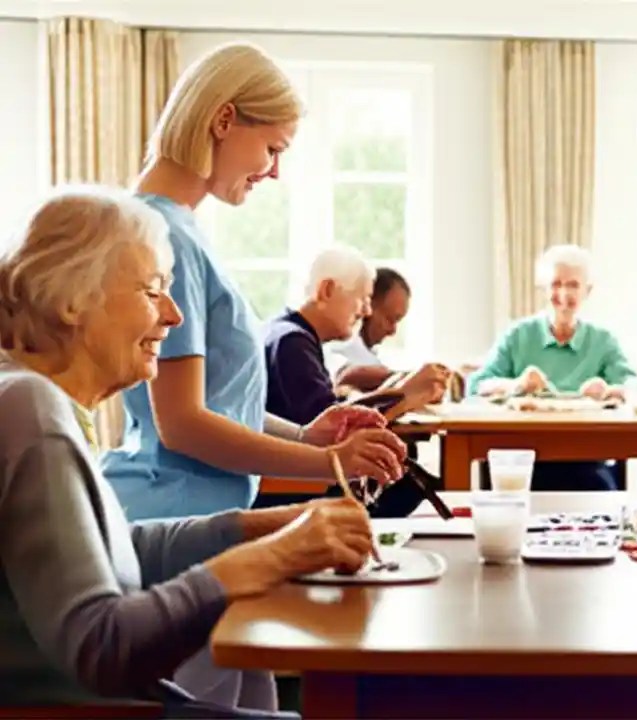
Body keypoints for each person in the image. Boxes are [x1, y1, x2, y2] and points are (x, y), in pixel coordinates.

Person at [0, 187, 375, 717]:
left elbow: (110, 552)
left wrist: (256, 528)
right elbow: (100, 646)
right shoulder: (32, 412)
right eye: (153, 291)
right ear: (71, 301)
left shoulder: (33, 400)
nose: (174, 316)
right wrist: (273, 557)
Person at [102, 41, 408, 526]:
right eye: (273, 149)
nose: (274, 171)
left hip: (181, 510)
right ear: (223, 120)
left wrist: (305, 437)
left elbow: (216, 402)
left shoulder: (169, 227)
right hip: (172, 514)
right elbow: (182, 425)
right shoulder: (168, 236)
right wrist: (330, 463)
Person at [260, 248, 445, 513]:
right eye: (364, 298)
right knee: (423, 492)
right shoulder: (291, 342)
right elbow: (335, 431)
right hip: (299, 491)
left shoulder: (286, 333)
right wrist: (403, 396)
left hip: (303, 476)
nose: (367, 311)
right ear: (326, 290)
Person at [468, 244, 636, 490]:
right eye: (556, 284)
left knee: (599, 487)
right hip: (524, 458)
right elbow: (475, 386)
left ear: (587, 291)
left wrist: (609, 391)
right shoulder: (518, 335)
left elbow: (635, 388)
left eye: (573, 285)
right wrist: (517, 385)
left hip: (586, 457)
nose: (564, 294)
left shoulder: (602, 340)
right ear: (543, 288)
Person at [329, 267, 410, 393]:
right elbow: (345, 375)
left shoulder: (370, 357)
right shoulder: (338, 343)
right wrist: (407, 378)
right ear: (368, 305)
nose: (392, 331)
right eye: (390, 319)